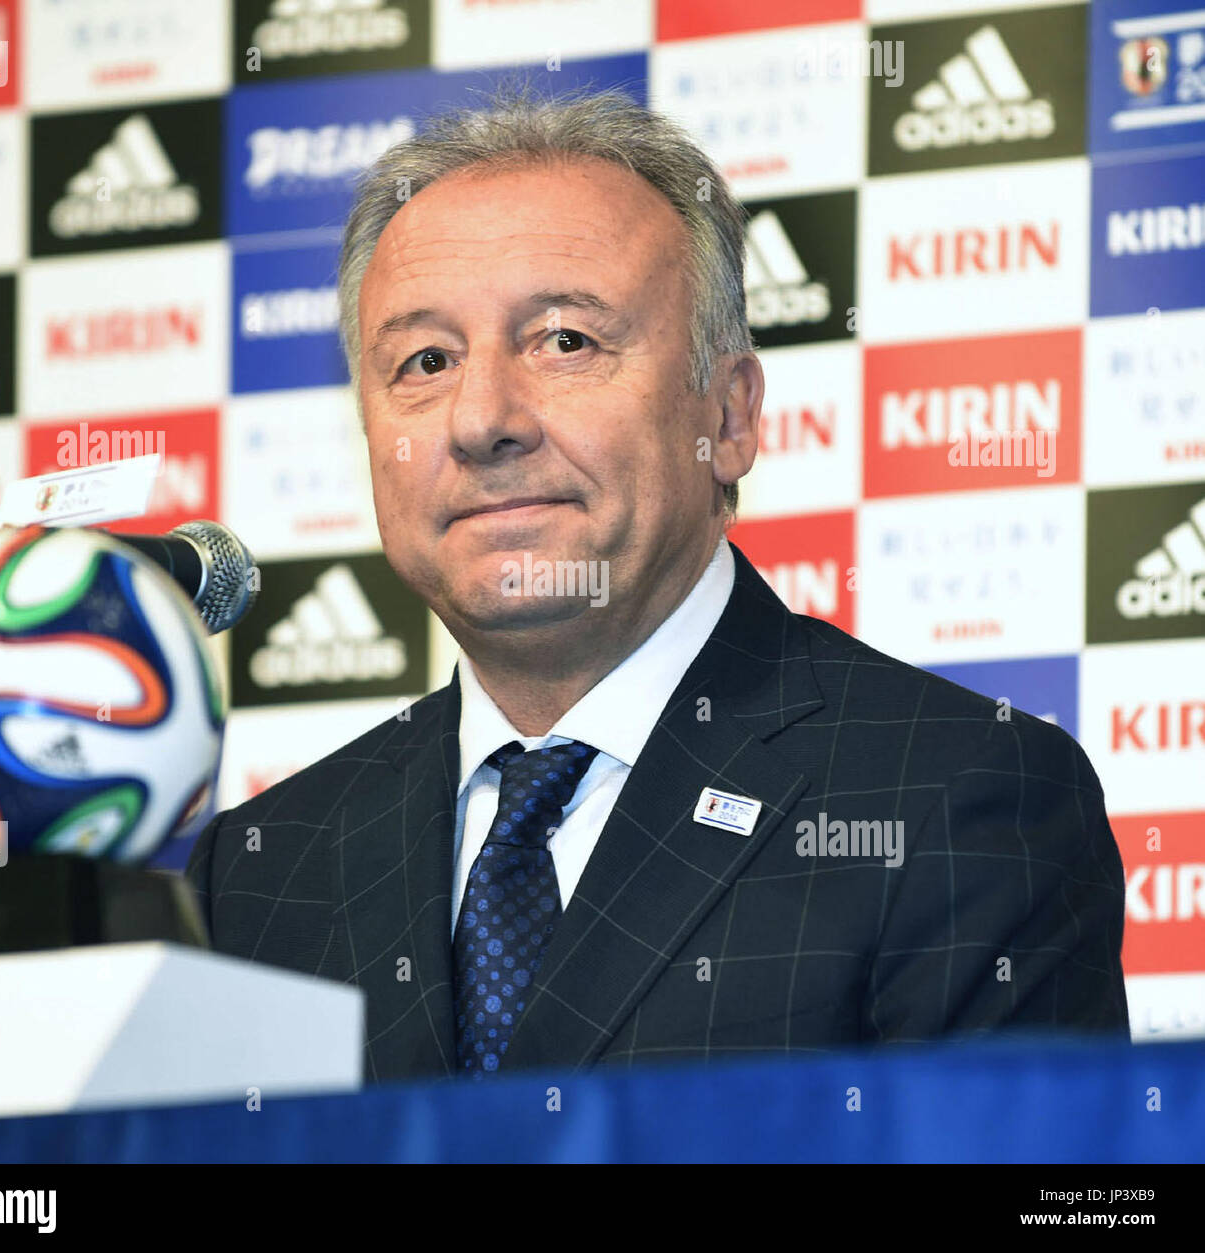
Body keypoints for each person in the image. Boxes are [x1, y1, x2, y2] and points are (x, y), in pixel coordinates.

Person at [187, 86, 1128, 1083]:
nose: (480, 419)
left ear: (727, 416)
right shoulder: (259, 870)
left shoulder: (957, 798)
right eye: (425, 359)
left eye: (564, 341)